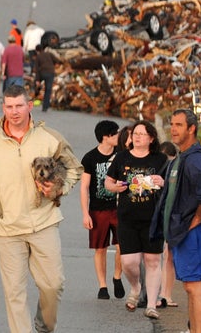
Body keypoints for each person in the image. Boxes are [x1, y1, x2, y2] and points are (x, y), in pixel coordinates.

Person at [0, 85, 83, 333]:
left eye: (19, 105)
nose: (14, 111)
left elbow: (74, 169)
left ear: (30, 106)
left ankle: (43, 326)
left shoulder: (49, 137)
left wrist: (58, 188)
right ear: (3, 107)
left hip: (44, 223)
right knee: (14, 294)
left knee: (53, 285)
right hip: (7, 228)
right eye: (9, 106)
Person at [149, 109, 201, 333]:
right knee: (190, 287)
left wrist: (197, 218)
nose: (173, 129)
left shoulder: (196, 159)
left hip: (194, 232)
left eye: (179, 125)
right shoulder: (182, 157)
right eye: (172, 124)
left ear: (192, 128)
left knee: (196, 287)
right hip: (182, 231)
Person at [105, 121, 168, 319]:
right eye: (135, 134)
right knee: (129, 263)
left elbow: (171, 184)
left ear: (152, 138)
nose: (138, 137)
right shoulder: (122, 157)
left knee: (152, 260)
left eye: (142, 134)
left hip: (153, 218)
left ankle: (151, 304)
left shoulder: (161, 159)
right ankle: (135, 286)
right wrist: (115, 188)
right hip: (127, 218)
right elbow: (108, 182)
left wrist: (162, 182)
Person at [79, 120, 123, 301]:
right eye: (116, 133)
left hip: (119, 208)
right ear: (106, 137)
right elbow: (84, 187)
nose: (119, 136)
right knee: (100, 249)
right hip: (98, 209)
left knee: (122, 246)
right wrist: (85, 213)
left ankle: (117, 276)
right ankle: (102, 286)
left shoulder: (121, 155)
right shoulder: (89, 158)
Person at [158, 141, 181, 309]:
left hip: (171, 215)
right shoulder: (172, 166)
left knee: (168, 256)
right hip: (166, 214)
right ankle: (164, 294)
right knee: (167, 256)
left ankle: (165, 294)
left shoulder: (175, 167)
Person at [33, 44, 57, 112]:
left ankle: (37, 92)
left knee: (36, 84)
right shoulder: (49, 54)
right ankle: (45, 106)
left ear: (37, 51)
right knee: (48, 90)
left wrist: (37, 80)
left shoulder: (38, 57)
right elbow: (56, 60)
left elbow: (37, 69)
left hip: (42, 73)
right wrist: (53, 64)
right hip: (50, 73)